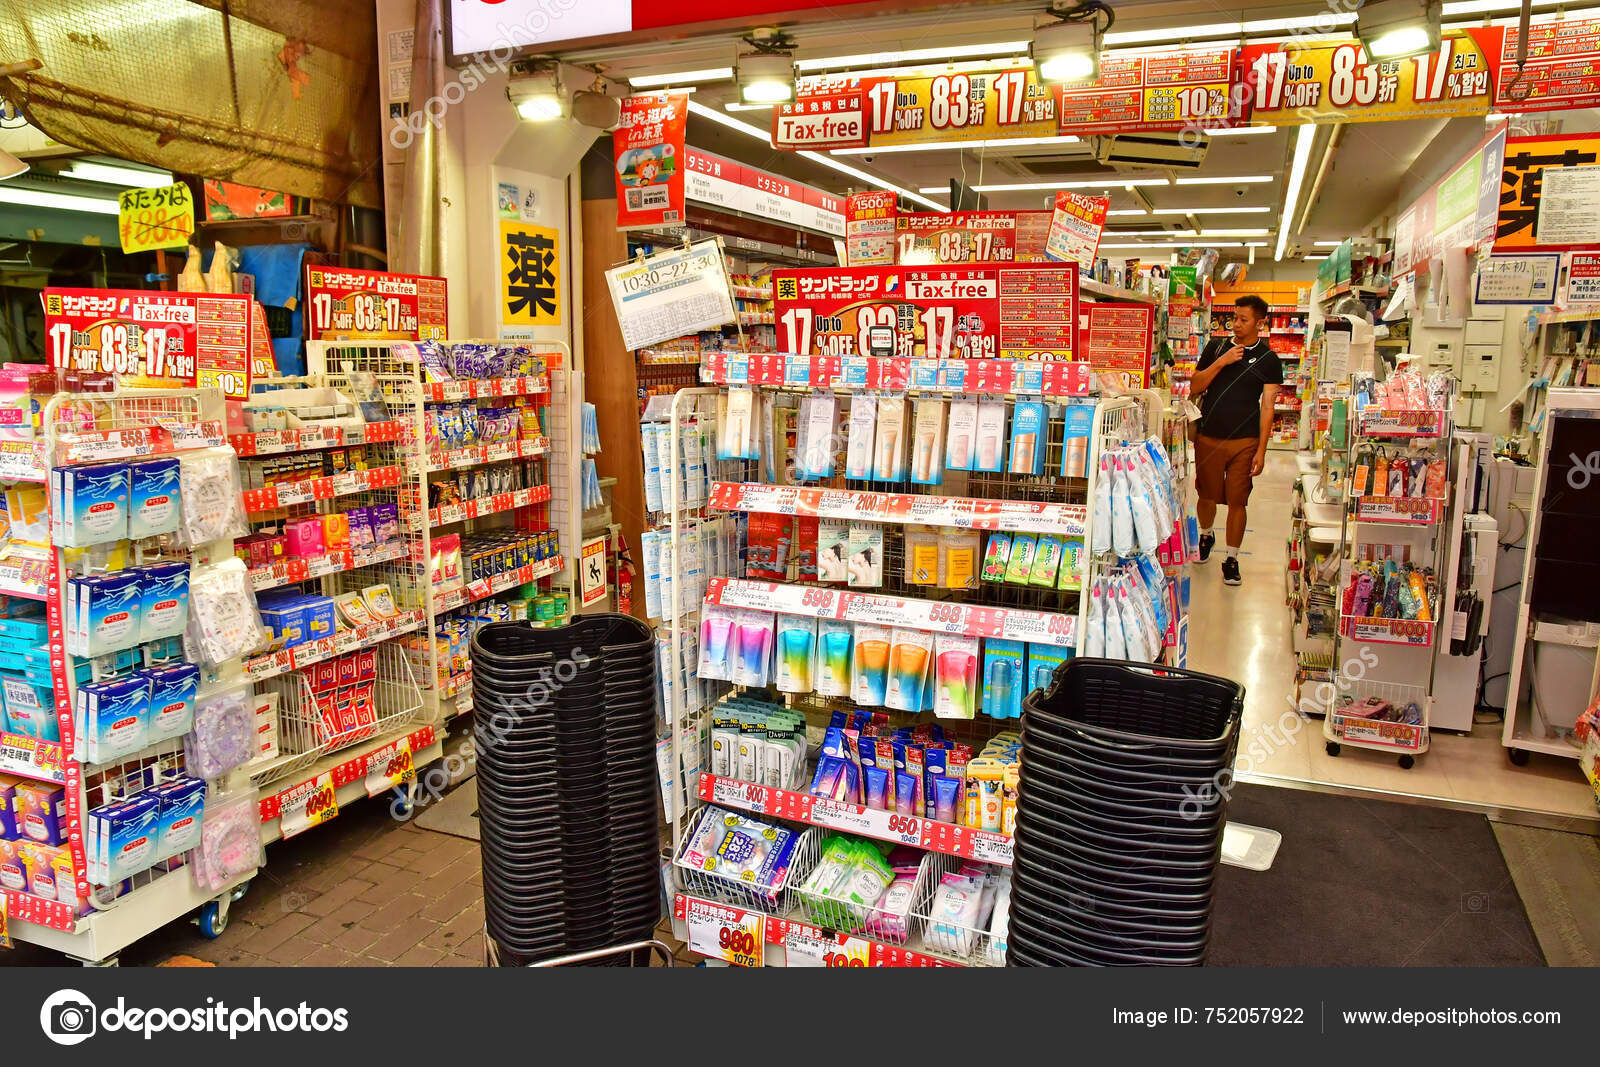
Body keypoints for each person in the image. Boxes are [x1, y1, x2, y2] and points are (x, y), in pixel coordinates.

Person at [1189, 294, 1282, 587]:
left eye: (1244, 320)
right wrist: (1222, 361)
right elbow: (1195, 384)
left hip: (1246, 440)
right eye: (1234, 319)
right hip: (1209, 435)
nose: (1237, 325)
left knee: (1238, 501)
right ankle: (1206, 535)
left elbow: (1268, 406)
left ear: (1260, 323)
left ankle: (1231, 558)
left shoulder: (1269, 360)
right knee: (1205, 495)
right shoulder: (1216, 346)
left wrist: (1262, 450)